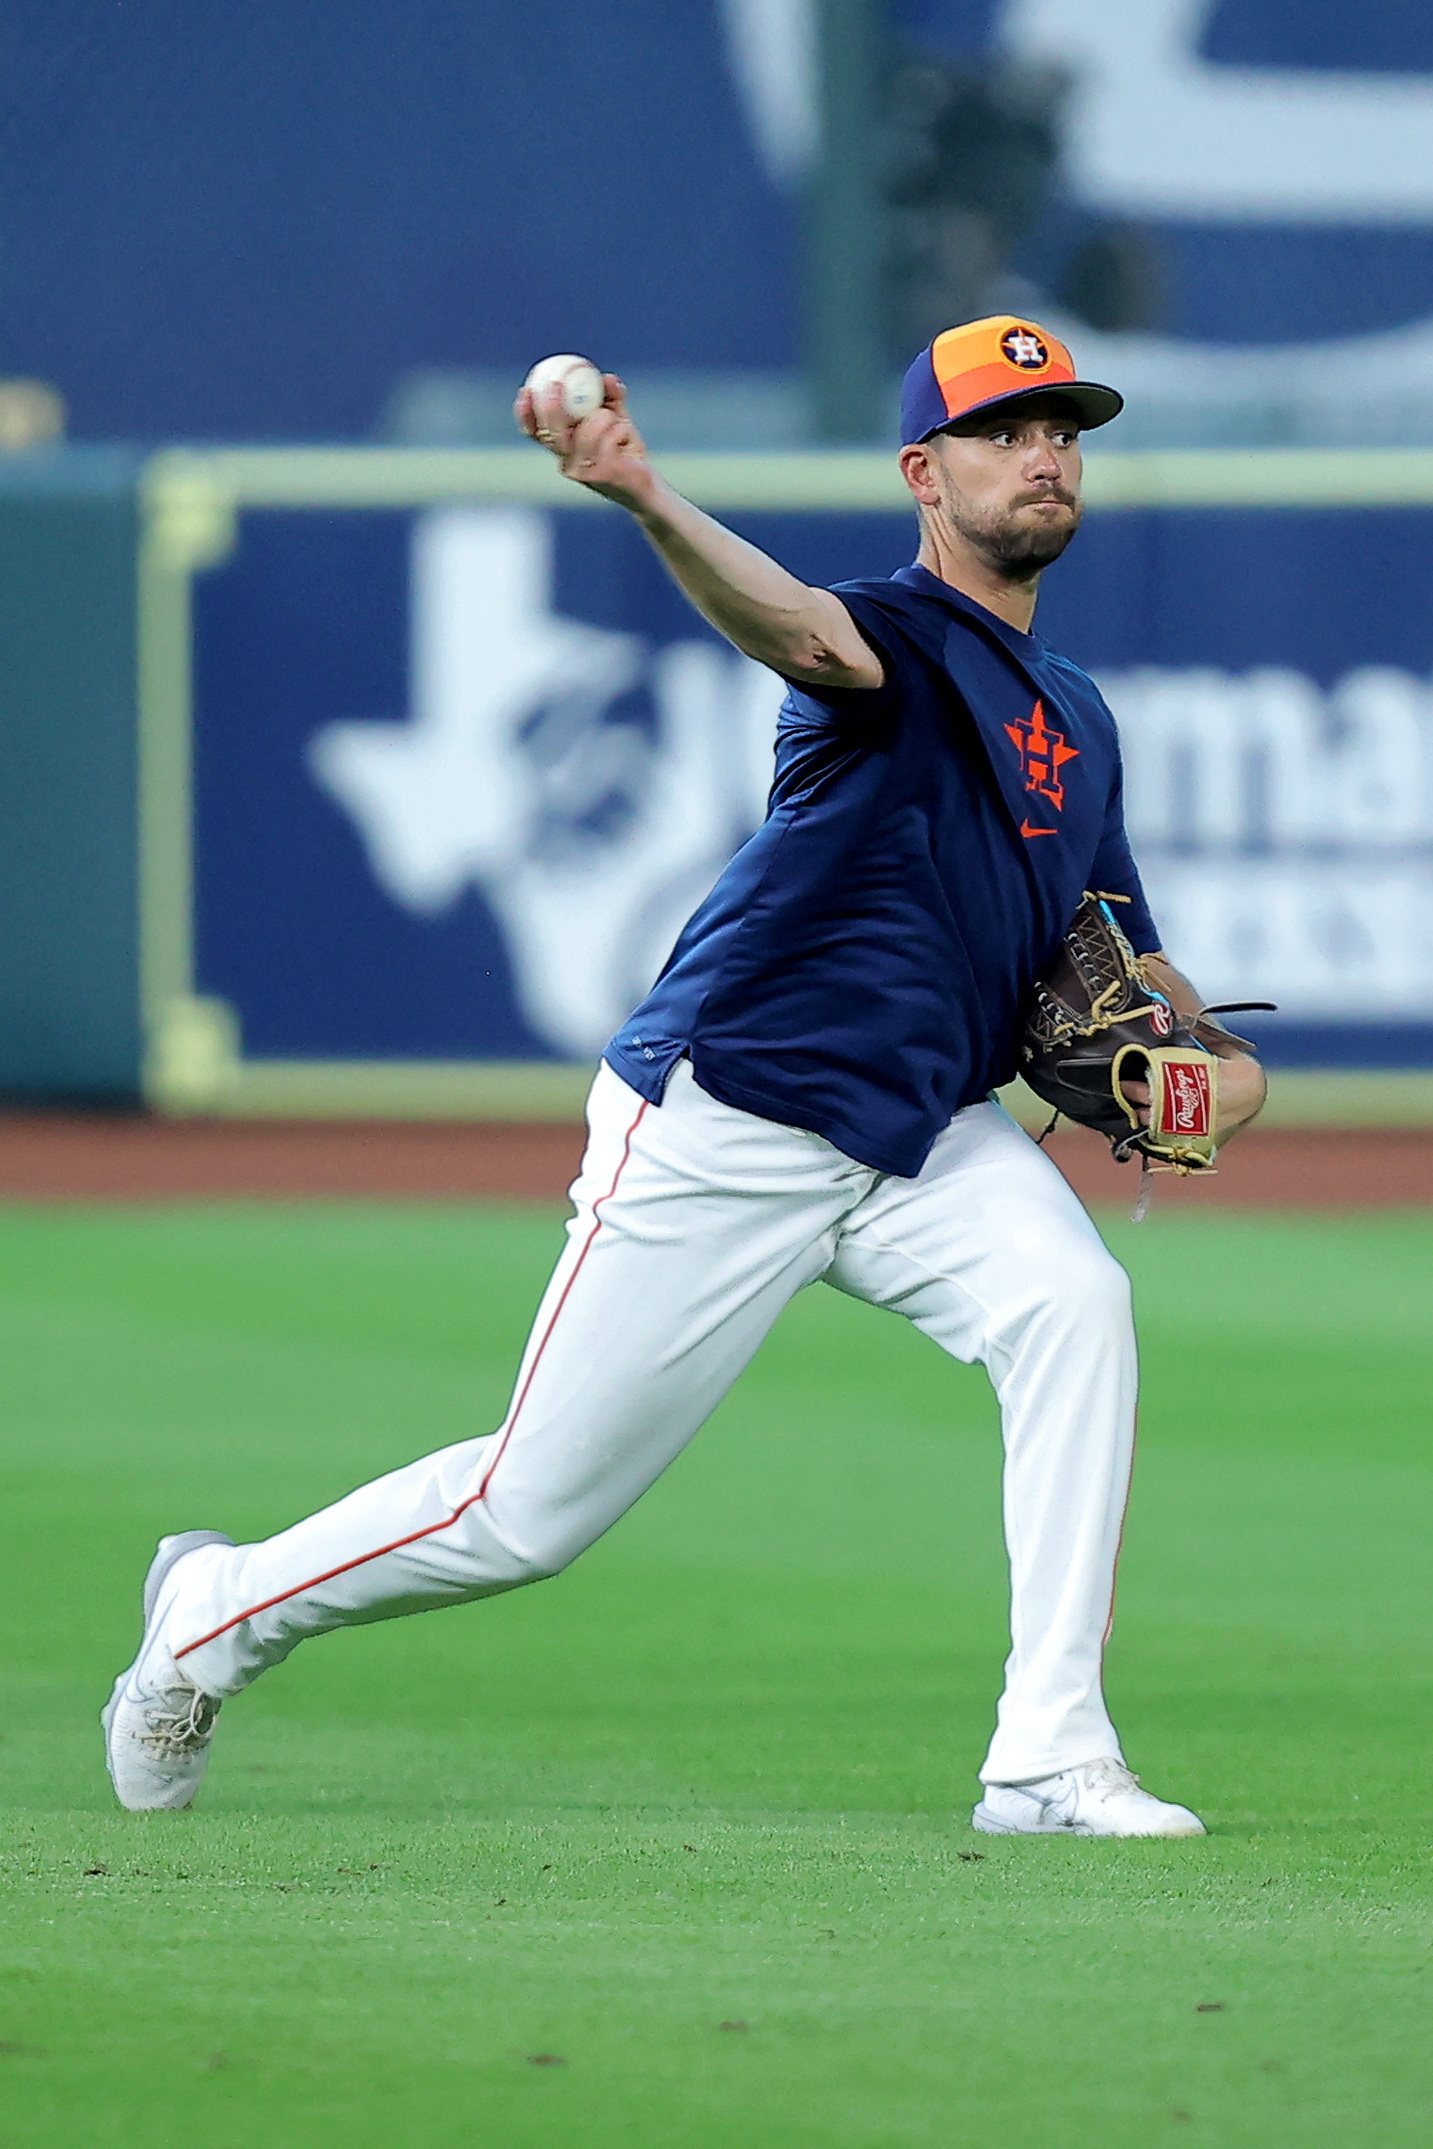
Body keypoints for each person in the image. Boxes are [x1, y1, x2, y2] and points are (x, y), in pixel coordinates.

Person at [104, 315, 1266, 1833]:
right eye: (1003, 428)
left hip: (924, 1133)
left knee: (1072, 1306)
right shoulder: (889, 642)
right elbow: (788, 626)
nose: (1042, 452)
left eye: (1061, 428)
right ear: (924, 472)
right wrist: (644, 497)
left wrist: (1221, 1080)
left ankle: (1046, 1751)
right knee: (523, 1514)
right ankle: (210, 1611)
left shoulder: (1080, 718)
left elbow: (1131, 953)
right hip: (738, 1112)